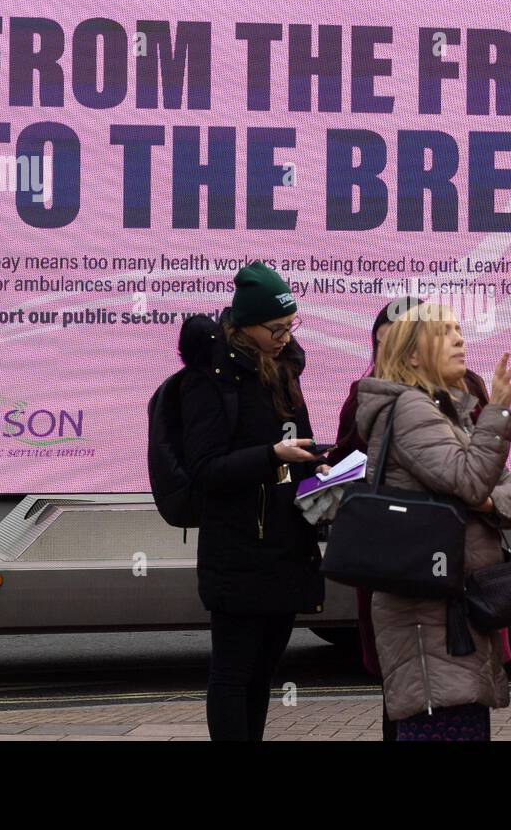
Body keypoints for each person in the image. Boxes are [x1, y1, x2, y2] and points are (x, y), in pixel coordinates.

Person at [328, 295, 498, 742]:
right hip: (429, 596)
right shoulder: (410, 407)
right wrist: (499, 417)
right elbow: (476, 479)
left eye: (460, 332)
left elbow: (499, 483)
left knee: (444, 711)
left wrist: (493, 496)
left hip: (446, 594)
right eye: (445, 334)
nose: (460, 341)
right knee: (438, 715)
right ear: (415, 353)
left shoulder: (458, 394)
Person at [178, 261, 327, 741]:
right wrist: (271, 455)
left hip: (286, 543)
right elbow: (206, 471)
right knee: (234, 673)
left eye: (291, 325)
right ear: (245, 325)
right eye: (276, 327)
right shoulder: (210, 379)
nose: (286, 336)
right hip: (238, 549)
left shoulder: (285, 369)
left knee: (263, 672)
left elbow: (294, 442)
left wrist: (314, 468)